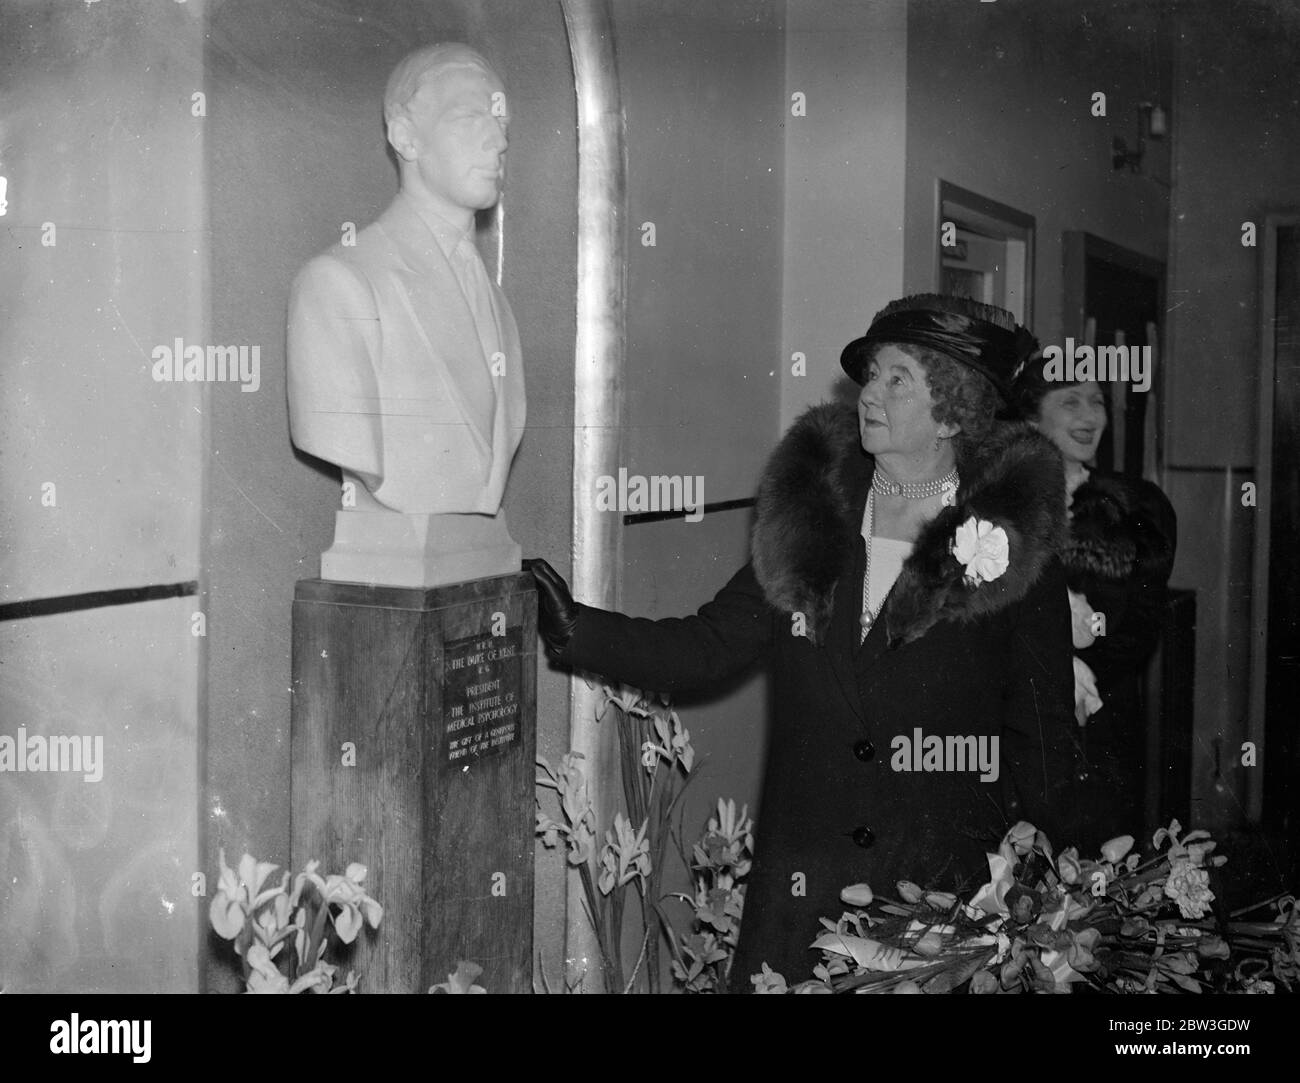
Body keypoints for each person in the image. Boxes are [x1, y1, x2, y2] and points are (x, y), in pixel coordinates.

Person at [528, 294, 1085, 991]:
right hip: (804, 890)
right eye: (871, 375)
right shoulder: (812, 520)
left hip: (940, 901)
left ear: (951, 411)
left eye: (896, 379)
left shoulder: (1012, 551)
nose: (869, 395)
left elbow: (1043, 734)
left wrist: (1042, 887)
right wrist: (575, 628)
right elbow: (708, 644)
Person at [1011, 358, 1177, 838]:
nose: (1090, 416)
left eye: (1098, 401)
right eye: (1070, 401)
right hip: (1013, 728)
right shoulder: (998, 503)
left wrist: (1084, 670)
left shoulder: (1137, 507)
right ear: (1029, 419)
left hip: (1099, 726)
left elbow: (1142, 626)